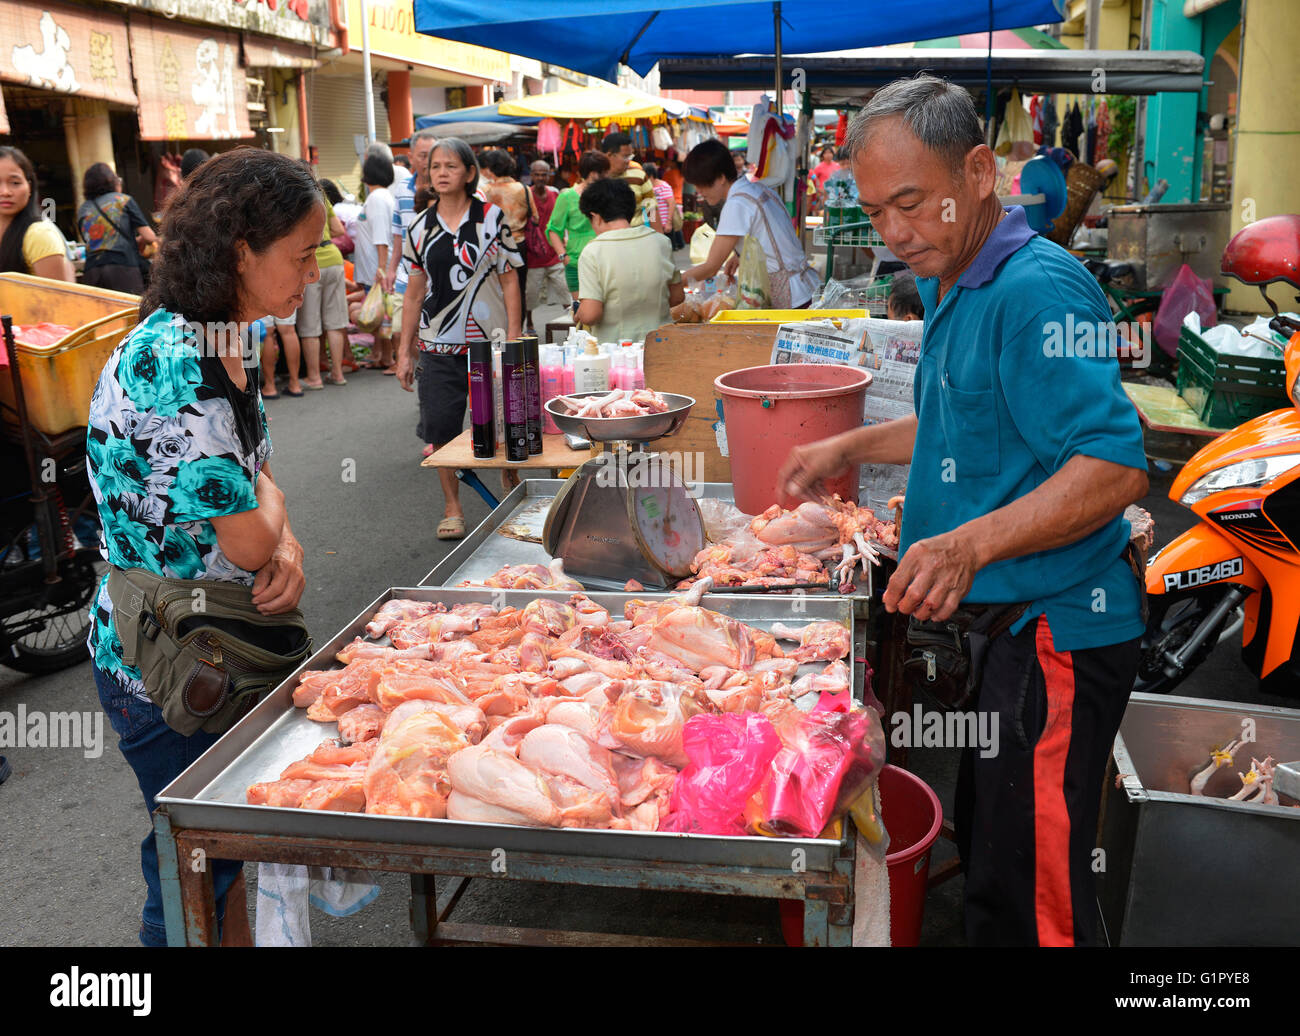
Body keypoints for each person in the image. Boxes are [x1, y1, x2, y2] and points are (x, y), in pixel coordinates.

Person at [776, 75, 1149, 947]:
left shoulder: (1037, 292)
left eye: (911, 202)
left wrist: (966, 545)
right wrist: (847, 448)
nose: (896, 232)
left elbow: (1114, 466)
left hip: (1059, 634)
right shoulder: (954, 277)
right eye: (876, 212)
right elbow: (960, 419)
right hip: (1005, 632)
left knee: (1040, 894)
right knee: (994, 856)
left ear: (979, 172)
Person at [87, 146, 315, 947]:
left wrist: (279, 542)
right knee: (191, 863)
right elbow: (253, 527)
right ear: (241, 250)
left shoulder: (230, 338)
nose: (314, 272)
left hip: (213, 636)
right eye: (303, 254)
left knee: (213, 852)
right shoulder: (181, 362)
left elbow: (259, 487)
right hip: (163, 660)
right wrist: (276, 538)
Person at [395, 136, 522, 535]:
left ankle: (513, 485)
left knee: (501, 423)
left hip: (491, 343)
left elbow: (510, 278)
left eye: (451, 166)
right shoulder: (418, 227)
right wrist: (404, 351)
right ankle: (453, 507)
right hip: (437, 345)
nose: (442, 173)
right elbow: (414, 293)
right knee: (441, 428)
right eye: (435, 167)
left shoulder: (491, 218)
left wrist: (515, 336)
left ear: (470, 173)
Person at [682, 139, 818, 309]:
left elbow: (711, 267)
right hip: (804, 287)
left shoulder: (737, 203)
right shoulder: (757, 189)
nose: (699, 191)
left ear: (721, 178)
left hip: (791, 295)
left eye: (701, 185)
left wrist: (673, 284)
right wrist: (738, 256)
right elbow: (767, 235)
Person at [575, 178, 683, 343]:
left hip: (617, 352)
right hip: (662, 344)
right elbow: (677, 296)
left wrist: (579, 313)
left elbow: (591, 314)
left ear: (595, 217)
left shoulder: (593, 251)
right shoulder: (661, 242)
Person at [383, 129, 436, 377]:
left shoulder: (446, 187)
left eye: (432, 155)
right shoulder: (402, 189)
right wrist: (391, 269)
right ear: (411, 156)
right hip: (408, 274)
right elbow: (398, 233)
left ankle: (434, 379)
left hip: (438, 276)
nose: (428, 162)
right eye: (423, 155)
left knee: (434, 332)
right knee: (404, 331)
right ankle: (429, 375)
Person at [77, 162, 157, 294]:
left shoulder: (83, 209)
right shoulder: (123, 200)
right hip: (122, 269)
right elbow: (149, 237)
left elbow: (97, 242)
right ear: (111, 181)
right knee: (130, 312)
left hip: (92, 272)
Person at [478, 149, 533, 332]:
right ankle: (518, 329)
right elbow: (537, 217)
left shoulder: (486, 191)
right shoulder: (523, 189)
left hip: (493, 244)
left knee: (497, 289)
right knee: (519, 288)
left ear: (491, 169)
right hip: (520, 243)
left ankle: (500, 327)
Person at [352, 149, 396, 374]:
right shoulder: (381, 196)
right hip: (375, 267)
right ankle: (379, 354)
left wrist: (381, 268)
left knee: (382, 313)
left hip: (377, 267)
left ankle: (388, 357)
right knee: (379, 313)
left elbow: (381, 236)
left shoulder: (378, 198)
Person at [0, 146, 73, 281]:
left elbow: (57, 298)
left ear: (29, 187)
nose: (5, 192)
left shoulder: (39, 234)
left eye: (15, 183)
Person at [546, 150, 609, 300]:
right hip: (576, 263)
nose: (607, 176)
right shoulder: (567, 197)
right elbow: (553, 229)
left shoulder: (607, 195)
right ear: (594, 174)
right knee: (582, 312)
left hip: (606, 261)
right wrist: (563, 256)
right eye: (605, 172)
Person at [524, 159, 567, 332]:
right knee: (531, 294)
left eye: (544, 174)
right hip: (533, 254)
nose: (540, 178)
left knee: (565, 288)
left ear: (549, 175)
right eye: (537, 174)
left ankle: (573, 320)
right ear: (531, 175)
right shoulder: (526, 194)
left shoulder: (555, 194)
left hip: (553, 252)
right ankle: (529, 323)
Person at [600, 131, 654, 226]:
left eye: (630, 156)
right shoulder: (595, 178)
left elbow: (651, 207)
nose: (628, 161)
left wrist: (656, 234)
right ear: (609, 155)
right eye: (625, 157)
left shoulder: (639, 175)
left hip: (637, 234)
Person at [643, 162, 675, 239]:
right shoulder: (646, 188)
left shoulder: (663, 186)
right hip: (650, 227)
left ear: (650, 175)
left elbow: (671, 204)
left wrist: (668, 223)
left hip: (663, 226)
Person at [810, 145, 839, 212]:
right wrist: (818, 189)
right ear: (823, 155)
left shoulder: (837, 166)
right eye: (826, 153)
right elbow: (813, 179)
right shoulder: (819, 167)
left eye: (830, 152)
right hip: (822, 194)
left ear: (833, 154)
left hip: (835, 194)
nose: (828, 155)